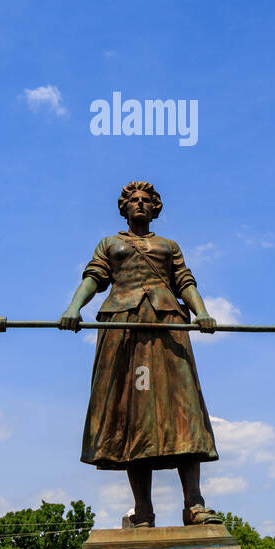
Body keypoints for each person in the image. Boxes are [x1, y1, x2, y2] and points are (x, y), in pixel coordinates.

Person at [60, 181, 223, 527]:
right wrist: (74, 308)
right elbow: (94, 278)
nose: (139, 204)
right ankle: (143, 511)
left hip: (167, 329)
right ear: (123, 208)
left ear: (155, 209)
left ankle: (194, 504)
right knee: (134, 418)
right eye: (133, 200)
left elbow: (184, 281)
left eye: (146, 200)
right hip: (124, 328)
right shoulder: (110, 244)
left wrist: (203, 312)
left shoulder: (168, 246)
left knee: (184, 413)